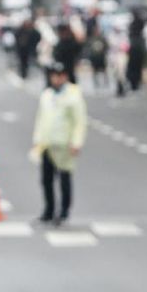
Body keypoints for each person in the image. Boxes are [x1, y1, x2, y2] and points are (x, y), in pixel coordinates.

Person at [32, 61, 88, 226]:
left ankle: (63, 211)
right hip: (47, 143)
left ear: (65, 77)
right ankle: (48, 210)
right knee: (46, 179)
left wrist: (76, 142)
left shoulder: (73, 96)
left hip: (64, 143)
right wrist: (37, 140)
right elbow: (40, 119)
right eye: (53, 76)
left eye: (59, 76)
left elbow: (79, 122)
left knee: (64, 178)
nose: (56, 79)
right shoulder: (47, 95)